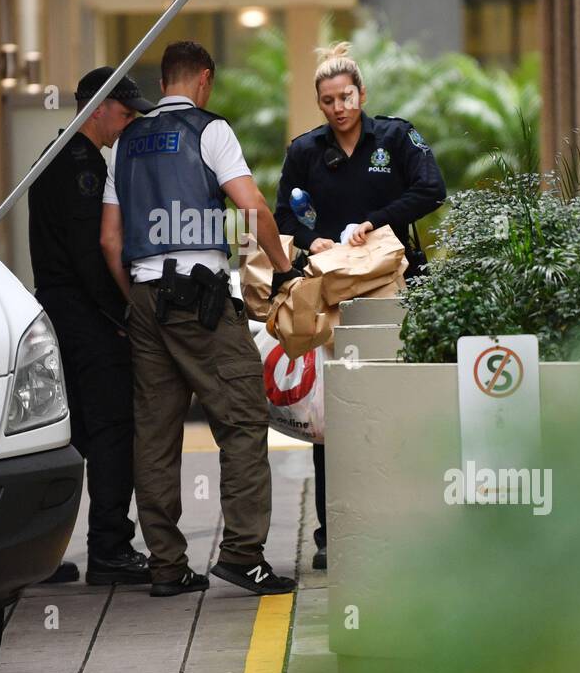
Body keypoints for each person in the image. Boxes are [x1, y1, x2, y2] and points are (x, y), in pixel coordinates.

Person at [100, 41, 301, 597]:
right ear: (204, 80)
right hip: (201, 301)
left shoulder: (126, 144)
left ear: (163, 81)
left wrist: (135, 295)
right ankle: (242, 554)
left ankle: (167, 565)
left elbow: (110, 240)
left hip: (144, 298)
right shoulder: (210, 131)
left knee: (155, 433)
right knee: (241, 418)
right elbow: (251, 205)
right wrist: (284, 269)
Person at [274, 42, 446, 570]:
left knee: (395, 400)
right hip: (333, 298)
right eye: (327, 101)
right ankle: (335, 532)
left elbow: (432, 189)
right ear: (319, 104)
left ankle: (402, 520)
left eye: (346, 96)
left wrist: (378, 222)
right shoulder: (305, 151)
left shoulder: (395, 137)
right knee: (336, 415)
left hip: (394, 285)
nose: (338, 107)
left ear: (361, 93)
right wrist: (314, 240)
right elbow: (285, 213)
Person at [28, 66, 155, 585]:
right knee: (110, 431)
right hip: (85, 317)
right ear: (97, 107)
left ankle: (39, 554)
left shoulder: (54, 155)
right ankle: (110, 549)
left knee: (66, 434)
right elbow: (91, 255)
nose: (126, 125)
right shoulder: (82, 166)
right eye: (124, 113)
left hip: (59, 313)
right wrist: (122, 315)